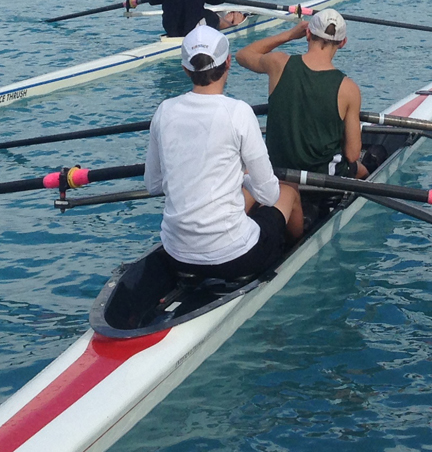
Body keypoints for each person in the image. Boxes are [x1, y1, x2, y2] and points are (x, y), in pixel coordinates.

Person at [108, 26, 302, 326]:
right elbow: (269, 195)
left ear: (186, 69)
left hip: (177, 255)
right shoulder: (238, 112)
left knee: (244, 193)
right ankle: (299, 246)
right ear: (227, 65)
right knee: (289, 193)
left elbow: (153, 185)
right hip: (236, 258)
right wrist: (244, 175)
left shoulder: (164, 111)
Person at [237, 8, 373, 181]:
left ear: (308, 34)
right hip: (320, 178)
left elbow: (243, 55)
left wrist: (288, 35)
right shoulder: (349, 88)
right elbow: (353, 154)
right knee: (362, 168)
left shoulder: (278, 63)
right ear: (343, 42)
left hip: (277, 171)